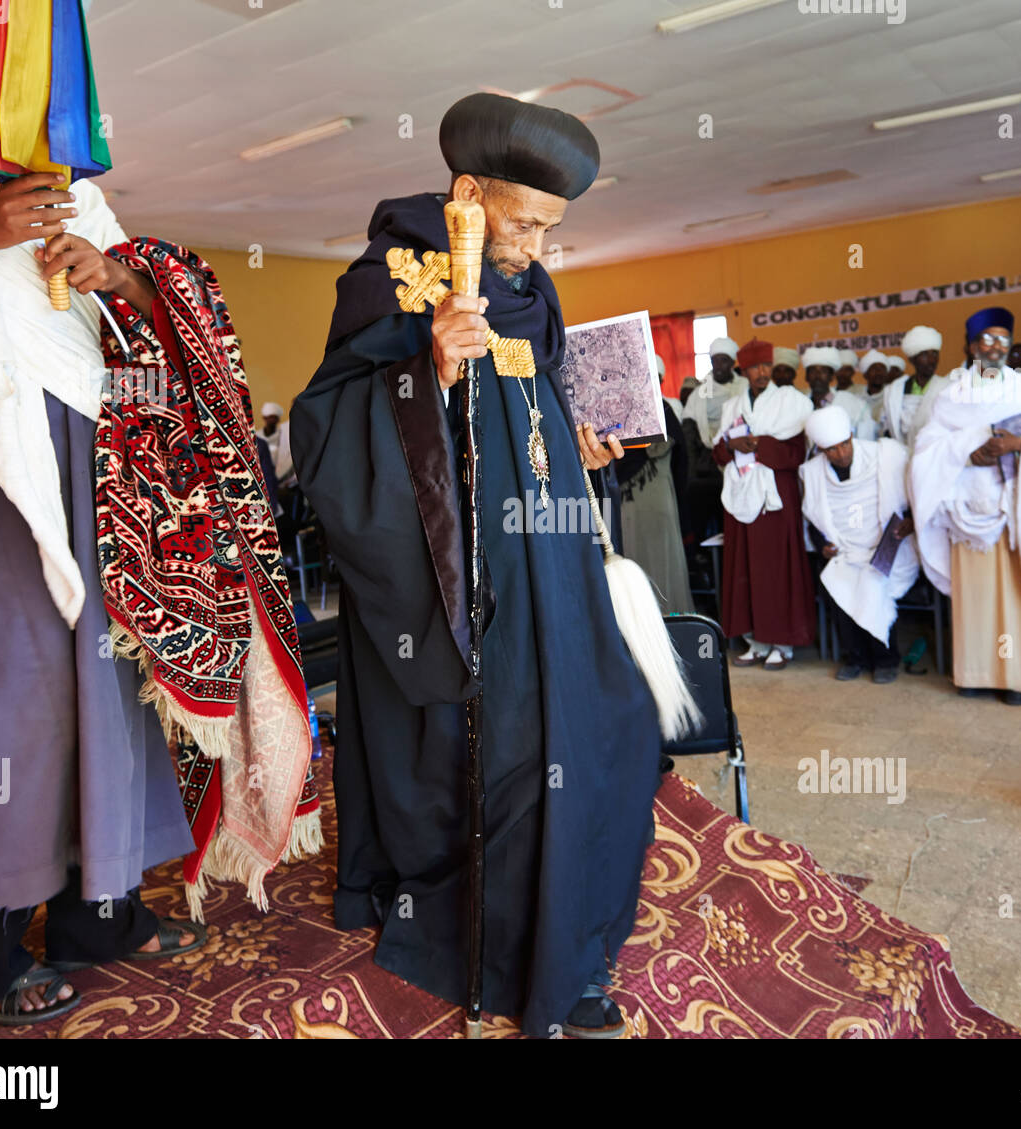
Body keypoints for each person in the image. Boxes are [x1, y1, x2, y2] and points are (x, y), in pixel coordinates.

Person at [289, 92, 661, 1039]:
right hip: (459, 576)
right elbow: (325, 428)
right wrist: (426, 374)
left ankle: (565, 925)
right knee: (503, 750)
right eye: (525, 221)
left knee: (602, 723)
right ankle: (505, 947)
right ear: (467, 191)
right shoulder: (391, 280)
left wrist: (579, 439)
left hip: (551, 556)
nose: (536, 246)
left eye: (552, 229)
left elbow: (529, 410)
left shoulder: (532, 293)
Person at [0, 162, 212, 1023]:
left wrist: (111, 273)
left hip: (99, 464)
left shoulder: (69, 179)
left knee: (107, 693)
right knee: (12, 705)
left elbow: (157, 321)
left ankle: (96, 912)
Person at [909, 307, 1021, 704]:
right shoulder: (951, 394)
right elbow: (926, 451)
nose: (996, 346)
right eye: (987, 339)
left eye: (1003, 339)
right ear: (972, 346)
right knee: (977, 596)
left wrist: (1018, 444)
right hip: (967, 506)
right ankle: (975, 673)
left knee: (1017, 594)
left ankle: (1020, 679)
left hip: (1016, 509)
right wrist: (967, 452)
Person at [712, 338, 815, 669]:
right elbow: (717, 452)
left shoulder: (791, 402)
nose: (762, 372)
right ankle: (755, 640)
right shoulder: (732, 406)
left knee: (776, 568)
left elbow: (797, 452)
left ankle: (781, 644)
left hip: (776, 496)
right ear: (744, 370)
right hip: (741, 492)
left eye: (766, 366)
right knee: (744, 567)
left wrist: (758, 445)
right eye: (755, 367)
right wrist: (732, 445)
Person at [800, 406, 919, 684]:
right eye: (831, 450)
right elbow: (813, 516)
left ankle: (886, 659)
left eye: (844, 445)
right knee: (841, 590)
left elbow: (910, 496)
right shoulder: (813, 472)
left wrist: (910, 521)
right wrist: (822, 545)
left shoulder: (884, 456)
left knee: (874, 587)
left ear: (852, 436)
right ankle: (854, 658)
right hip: (843, 549)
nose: (840, 454)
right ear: (820, 449)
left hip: (883, 544)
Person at [618, 356, 694, 614]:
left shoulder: (664, 412)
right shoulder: (617, 412)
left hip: (656, 500)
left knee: (662, 565)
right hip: (627, 503)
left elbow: (681, 464)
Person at [681, 335, 746, 540]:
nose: (718, 365)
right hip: (706, 469)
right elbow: (689, 433)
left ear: (733, 363)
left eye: (723, 360)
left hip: (739, 461)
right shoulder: (700, 393)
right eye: (715, 360)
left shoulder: (743, 388)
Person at [881, 325, 947, 447]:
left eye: (935, 353)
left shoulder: (946, 387)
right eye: (925, 355)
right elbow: (889, 430)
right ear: (912, 359)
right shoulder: (895, 391)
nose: (932, 360)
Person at [804, 344, 875, 439]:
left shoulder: (854, 404)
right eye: (813, 371)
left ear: (832, 376)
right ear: (806, 377)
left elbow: (866, 440)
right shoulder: (800, 405)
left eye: (823, 371)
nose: (817, 376)